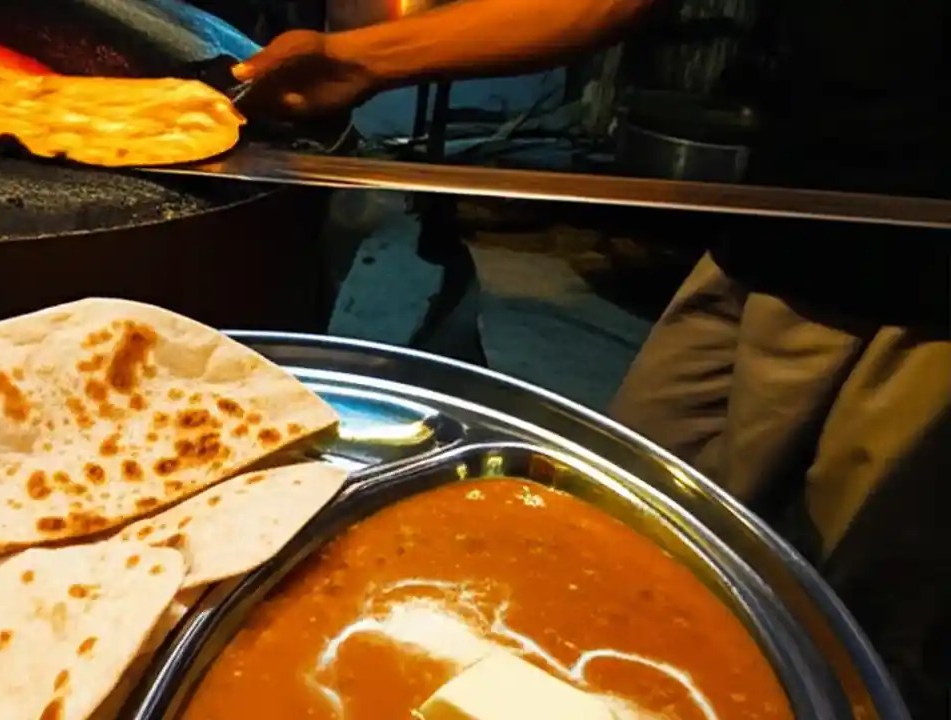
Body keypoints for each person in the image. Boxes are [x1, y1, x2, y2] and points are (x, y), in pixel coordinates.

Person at [233, 0, 950, 716]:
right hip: (773, 223)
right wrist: (357, 58)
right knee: (624, 507)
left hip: (918, 283)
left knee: (866, 614)